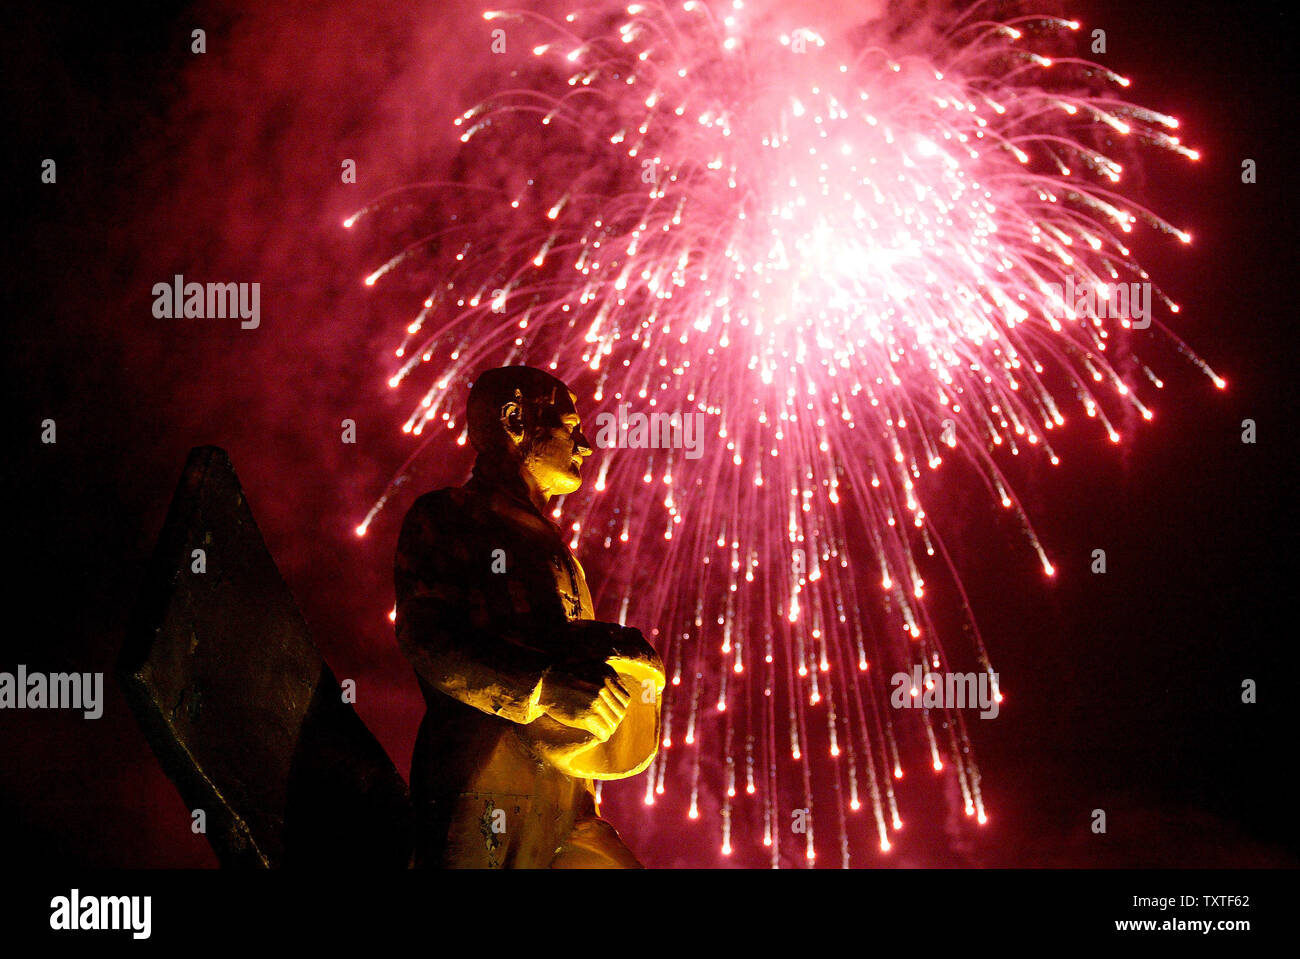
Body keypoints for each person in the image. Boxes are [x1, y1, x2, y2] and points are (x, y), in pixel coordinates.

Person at [394, 365, 662, 867]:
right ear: (516, 420)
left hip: (570, 800)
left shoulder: (564, 557)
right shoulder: (449, 515)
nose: (585, 445)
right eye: (571, 426)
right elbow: (425, 636)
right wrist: (541, 686)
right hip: (481, 785)